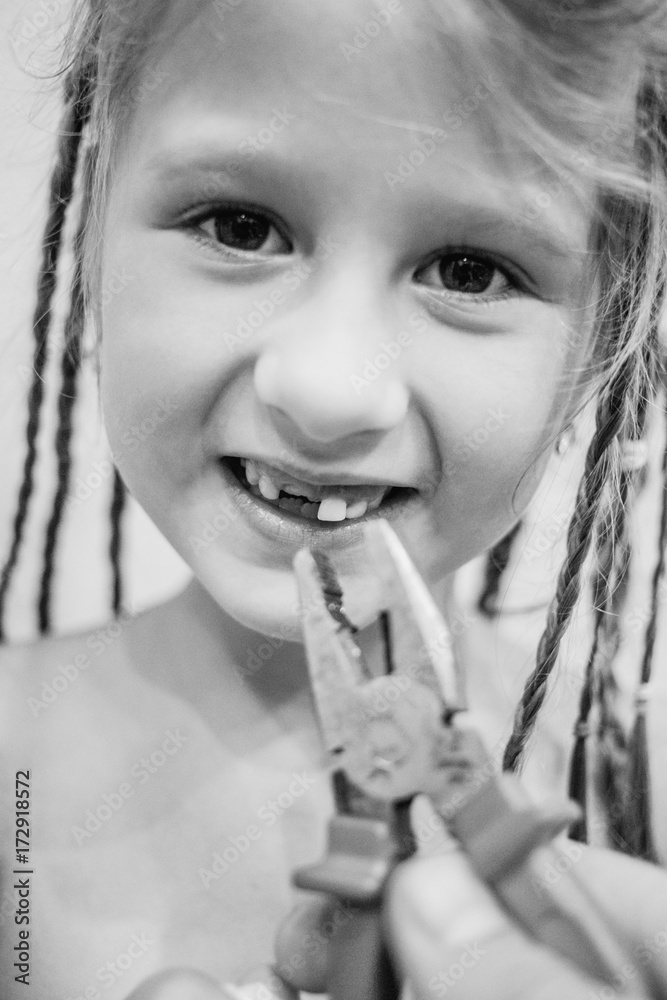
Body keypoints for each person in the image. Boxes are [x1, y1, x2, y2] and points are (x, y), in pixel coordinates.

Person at [2, 0, 667, 997]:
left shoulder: (632, 778)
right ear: (91, 217)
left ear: (602, 334)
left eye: (468, 271)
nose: (328, 389)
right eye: (241, 226)